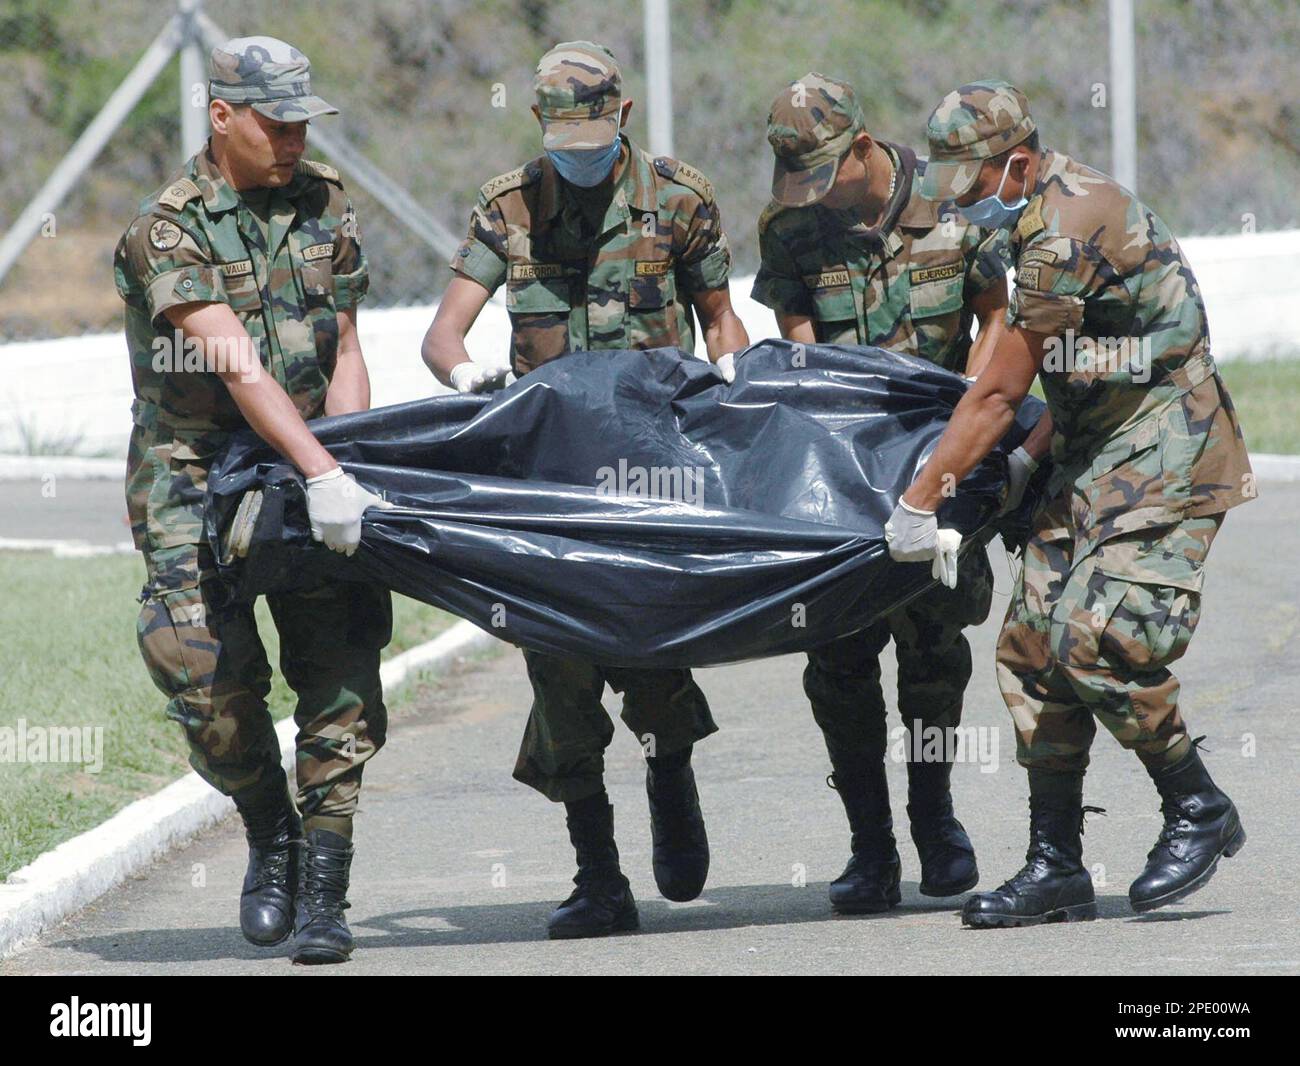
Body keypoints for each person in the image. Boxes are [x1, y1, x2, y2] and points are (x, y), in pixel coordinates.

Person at [885, 80, 1252, 926]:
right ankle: (1056, 864)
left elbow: (998, 390)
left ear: (1016, 162)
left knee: (1096, 639)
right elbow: (1062, 373)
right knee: (1032, 649)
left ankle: (1196, 804)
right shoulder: (1018, 222)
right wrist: (1025, 469)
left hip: (1168, 452)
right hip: (1088, 453)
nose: (958, 200)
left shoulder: (1067, 223)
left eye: (971, 183)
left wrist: (922, 499)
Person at [422, 41, 750, 938]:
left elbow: (721, 319)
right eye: (560, 135)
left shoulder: (678, 196)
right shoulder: (509, 207)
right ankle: (598, 875)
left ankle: (671, 771)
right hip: (547, 487)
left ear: (625, 118)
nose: (576, 150)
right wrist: (462, 380)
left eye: (591, 133)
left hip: (652, 476)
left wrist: (737, 384)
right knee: (558, 669)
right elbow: (444, 333)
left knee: (650, 649)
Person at [114, 36, 392, 963]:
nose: (293, 139)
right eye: (274, 123)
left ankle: (324, 886)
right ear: (221, 115)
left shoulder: (325, 201)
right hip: (194, 472)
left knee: (340, 667)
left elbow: (345, 342)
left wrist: (346, 463)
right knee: (204, 675)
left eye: (302, 122)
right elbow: (232, 363)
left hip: (310, 455)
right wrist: (320, 471)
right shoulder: (168, 227)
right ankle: (267, 831)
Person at [752, 73, 1012, 914]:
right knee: (838, 663)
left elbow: (1000, 317)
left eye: (828, 173)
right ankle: (870, 846)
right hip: (838, 483)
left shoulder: (954, 206)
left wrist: (962, 427)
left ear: (863, 147)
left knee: (935, 659)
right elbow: (799, 357)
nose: (816, 195)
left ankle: (936, 820)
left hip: (939, 471)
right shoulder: (792, 230)